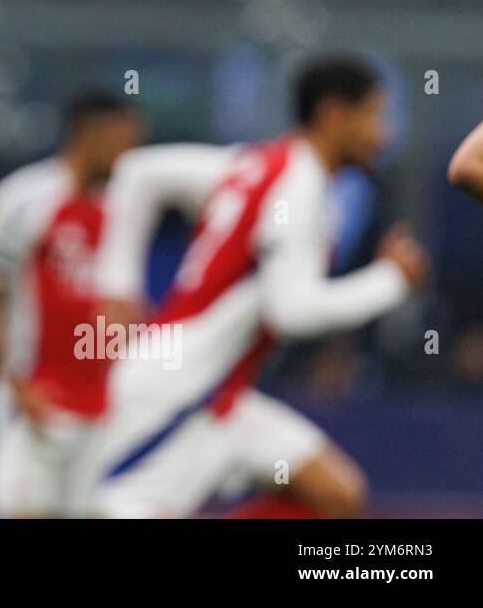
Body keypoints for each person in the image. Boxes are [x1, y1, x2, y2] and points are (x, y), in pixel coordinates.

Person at [84, 55, 427, 518]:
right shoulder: (299, 188)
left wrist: (117, 283)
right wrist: (390, 281)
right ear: (333, 114)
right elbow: (291, 311)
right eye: (374, 115)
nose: (383, 134)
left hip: (217, 392)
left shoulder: (257, 165)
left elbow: (139, 173)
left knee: (336, 495)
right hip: (179, 398)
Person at [0, 93, 156, 517]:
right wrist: (12, 381)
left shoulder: (122, 211)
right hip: (30, 407)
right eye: (125, 142)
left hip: (98, 413)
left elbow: (123, 307)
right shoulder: (23, 198)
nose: (131, 158)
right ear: (92, 134)